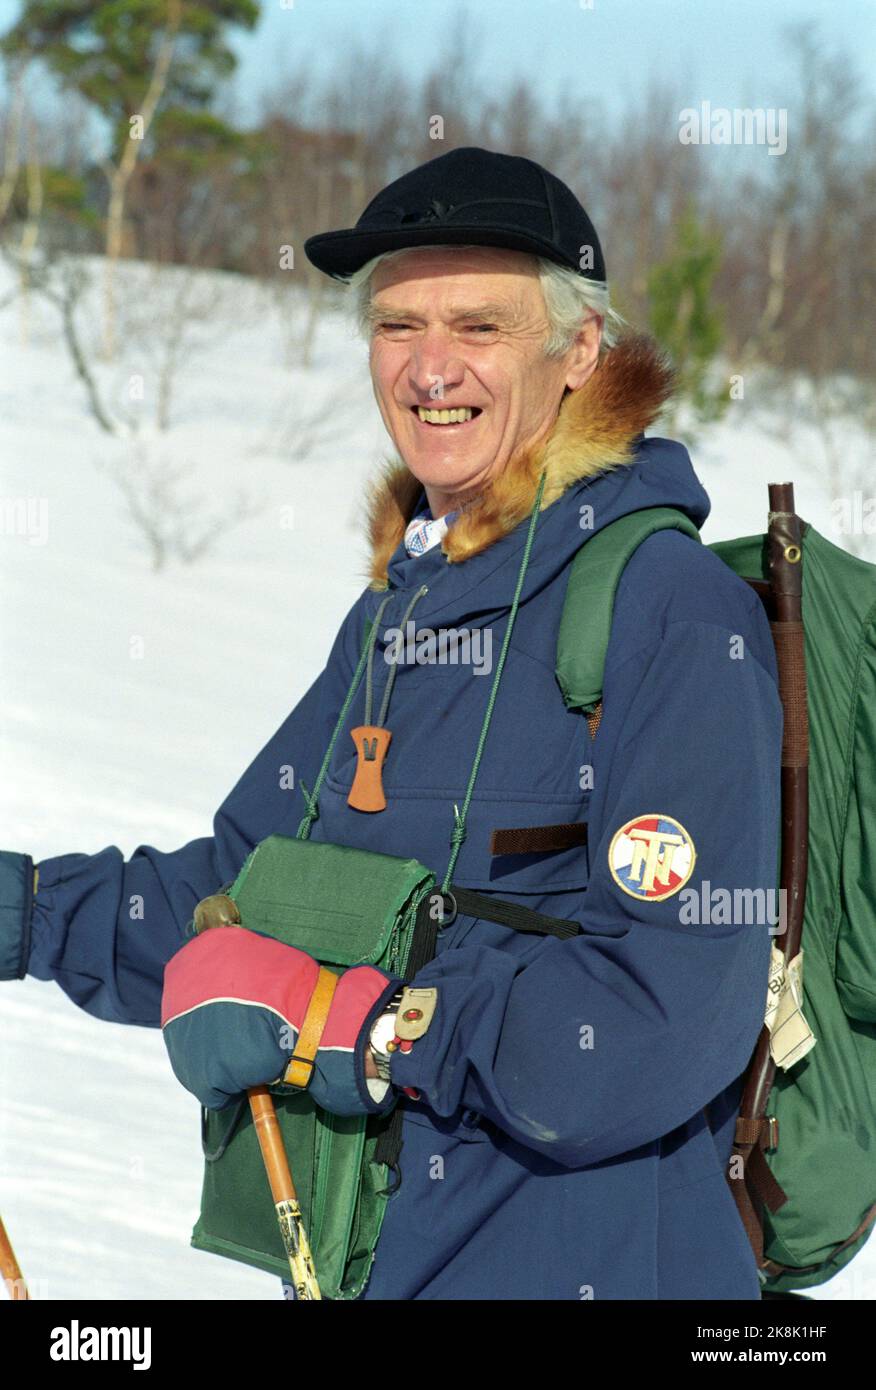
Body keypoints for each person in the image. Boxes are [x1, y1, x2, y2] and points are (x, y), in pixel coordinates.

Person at [0, 147, 782, 1300]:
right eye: (397, 323)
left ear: (579, 351)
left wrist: (356, 1024)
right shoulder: (398, 616)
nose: (429, 368)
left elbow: (661, 1020)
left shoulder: (665, 611)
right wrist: (22, 915)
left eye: (477, 326)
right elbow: (240, 897)